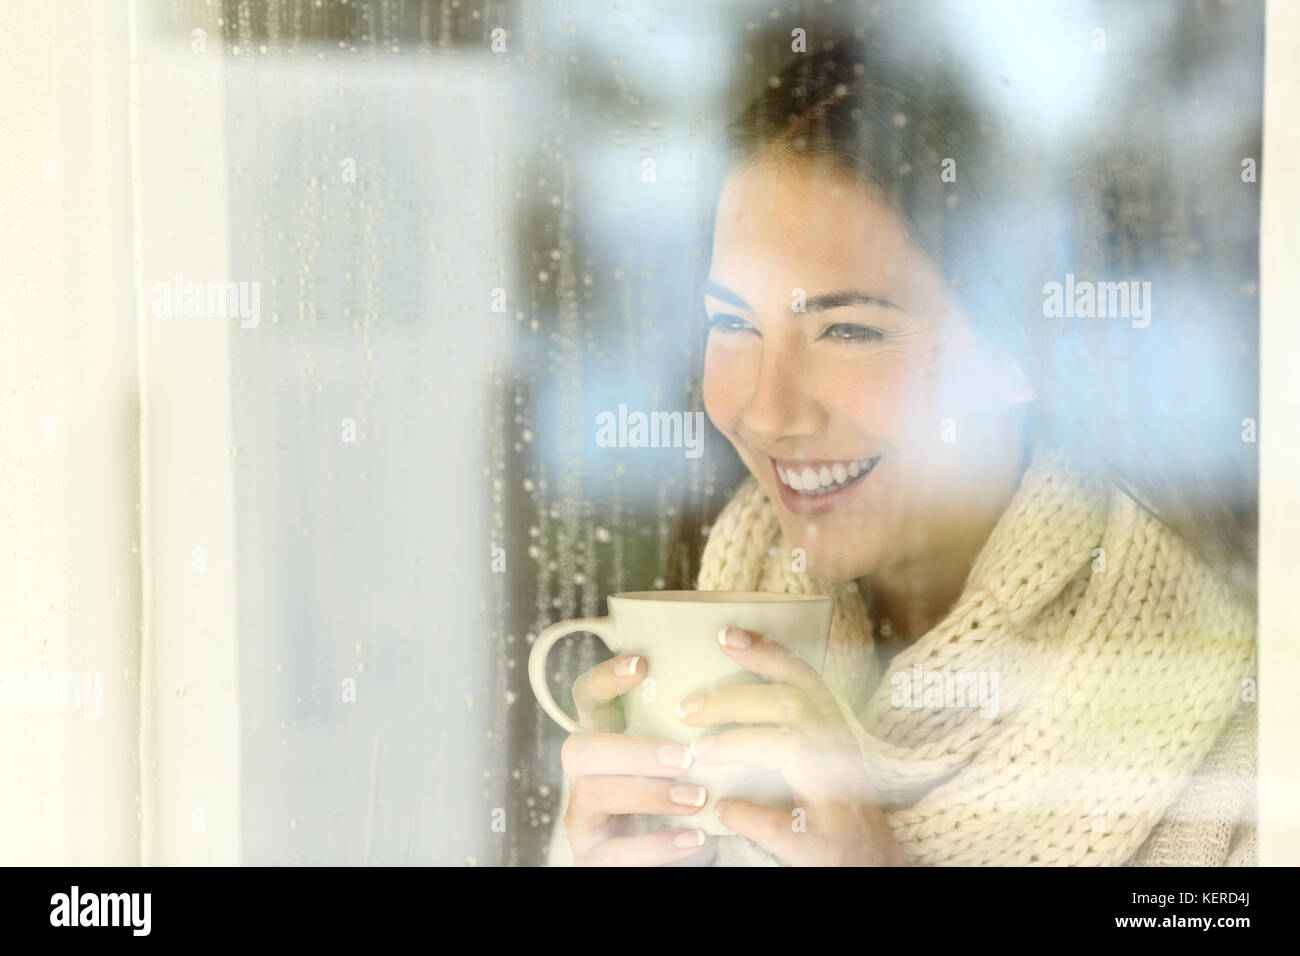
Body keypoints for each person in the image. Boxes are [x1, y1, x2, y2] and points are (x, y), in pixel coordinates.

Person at [547, 40, 1257, 866]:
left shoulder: (1223, 723)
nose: (768, 413)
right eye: (732, 323)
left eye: (849, 329)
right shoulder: (697, 652)